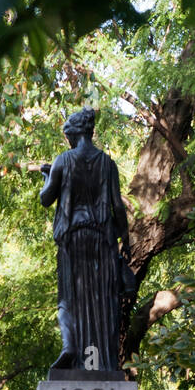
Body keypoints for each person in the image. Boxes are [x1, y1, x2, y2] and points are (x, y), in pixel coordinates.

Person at [39, 106, 133, 373]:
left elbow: (46, 198)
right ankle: (100, 363)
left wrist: (47, 176)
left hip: (74, 237)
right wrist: (125, 240)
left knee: (69, 298)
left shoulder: (63, 160)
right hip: (102, 240)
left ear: (73, 135)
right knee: (102, 300)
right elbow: (118, 206)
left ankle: (72, 347)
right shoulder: (107, 163)